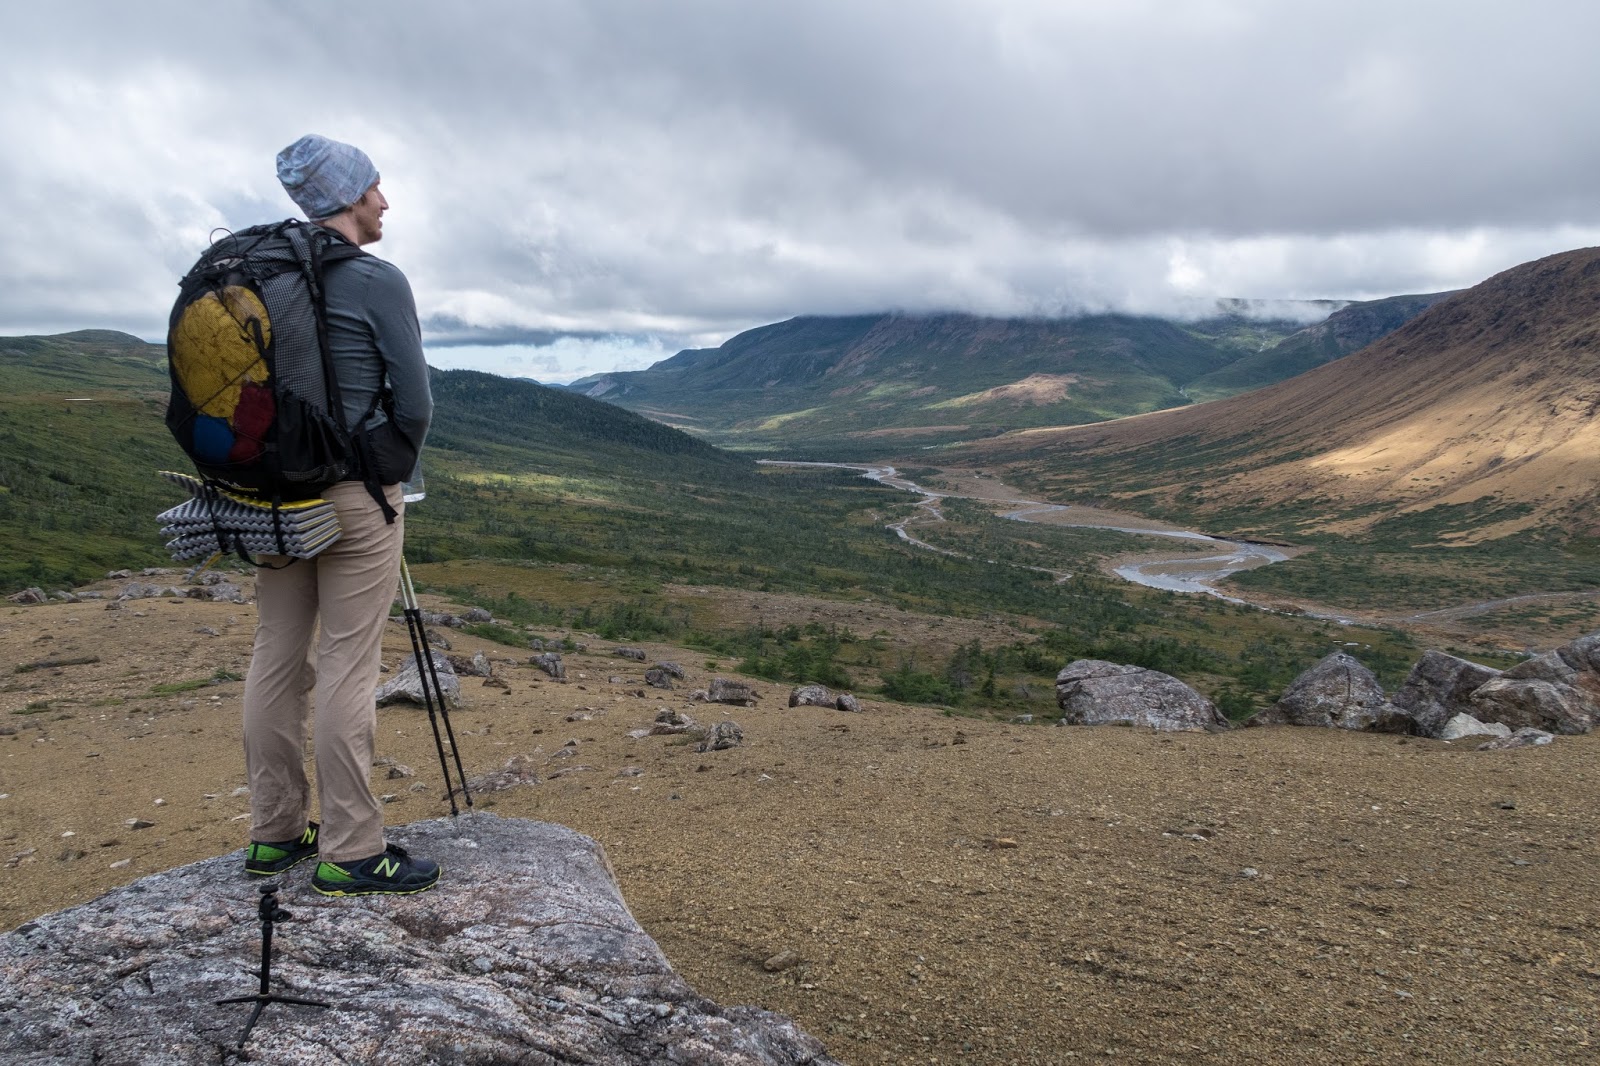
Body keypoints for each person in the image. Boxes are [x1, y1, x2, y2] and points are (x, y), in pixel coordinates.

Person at [240, 134, 439, 896]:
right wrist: (382, 472)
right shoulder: (375, 280)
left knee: (276, 655)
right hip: (354, 498)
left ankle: (274, 835)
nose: (386, 201)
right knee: (348, 663)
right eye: (376, 186)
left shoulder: (258, 275)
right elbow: (414, 403)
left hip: (270, 500)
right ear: (351, 196)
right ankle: (352, 849)